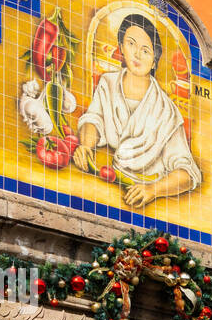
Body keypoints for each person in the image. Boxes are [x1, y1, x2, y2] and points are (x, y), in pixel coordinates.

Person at [72, 13, 202, 208]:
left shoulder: (166, 111)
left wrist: (153, 189)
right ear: (121, 47)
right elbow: (94, 118)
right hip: (105, 187)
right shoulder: (108, 83)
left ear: (154, 60)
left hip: (147, 198)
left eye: (146, 50)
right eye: (131, 44)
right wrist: (86, 146)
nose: (137, 54)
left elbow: (187, 171)